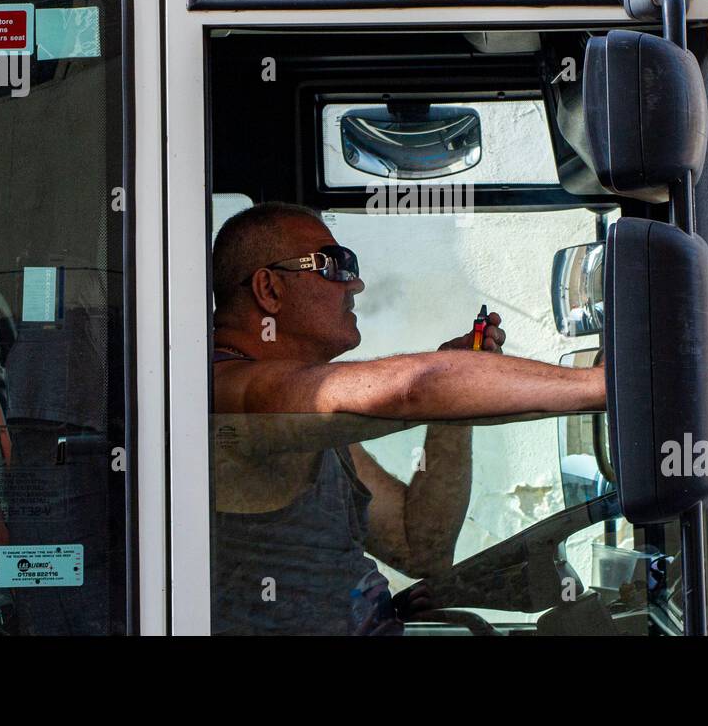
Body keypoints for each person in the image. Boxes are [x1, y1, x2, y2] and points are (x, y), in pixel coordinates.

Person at [209, 202, 605, 635]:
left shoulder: (308, 424)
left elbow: (420, 547)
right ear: (268, 289)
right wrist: (602, 386)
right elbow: (411, 390)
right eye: (336, 265)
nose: (356, 284)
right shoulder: (224, 395)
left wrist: (454, 407)